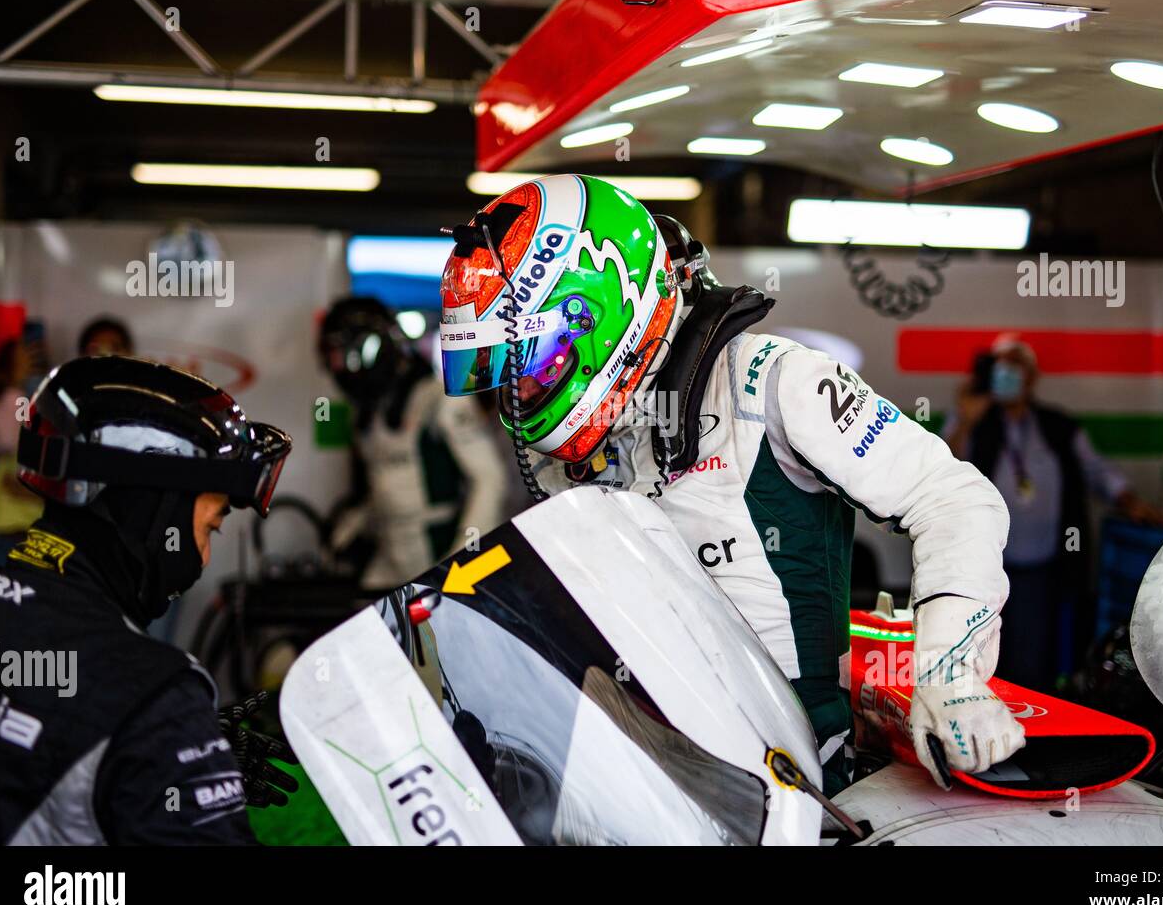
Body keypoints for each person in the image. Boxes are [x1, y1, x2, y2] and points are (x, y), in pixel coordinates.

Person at [438, 174, 1022, 792]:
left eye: (525, 360)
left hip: (804, 779)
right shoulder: (570, 455)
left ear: (599, 311)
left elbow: (956, 499)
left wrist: (950, 675)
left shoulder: (775, 382)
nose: (519, 392)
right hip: (653, 763)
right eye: (503, 374)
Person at [0, 356, 295, 844]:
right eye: (212, 525)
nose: (205, 556)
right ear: (152, 509)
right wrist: (169, 737)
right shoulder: (154, 699)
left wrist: (168, 751)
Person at [943, 332, 1163, 692]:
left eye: (1017, 367)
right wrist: (967, 418)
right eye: (1001, 367)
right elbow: (944, 470)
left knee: (1033, 658)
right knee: (980, 653)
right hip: (984, 564)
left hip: (1041, 566)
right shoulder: (974, 420)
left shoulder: (1057, 425)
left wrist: (1130, 500)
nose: (1008, 375)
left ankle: (1031, 729)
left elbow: (1097, 470)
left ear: (1032, 377)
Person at [318, 296, 506, 589]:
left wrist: (463, 566)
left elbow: (490, 482)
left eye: (345, 355)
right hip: (389, 561)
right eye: (334, 358)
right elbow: (386, 489)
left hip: (438, 559)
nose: (341, 367)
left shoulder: (439, 399)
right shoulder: (369, 414)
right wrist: (351, 527)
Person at [0, 339, 44, 579]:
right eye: (19, 363)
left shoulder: (38, 417)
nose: (27, 369)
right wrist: (16, 385)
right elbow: (7, 438)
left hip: (36, 541)